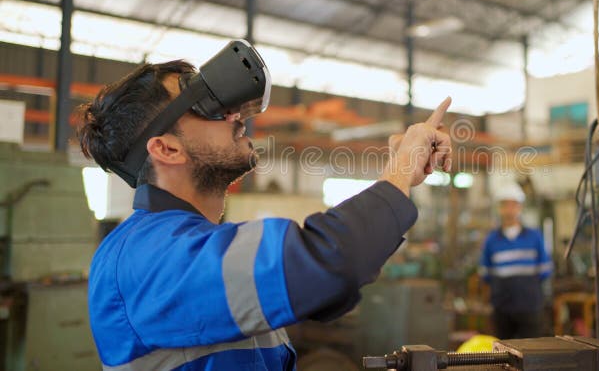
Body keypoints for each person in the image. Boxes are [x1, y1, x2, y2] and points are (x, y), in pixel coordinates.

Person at [76, 57, 452, 371]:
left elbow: (318, 291)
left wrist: (401, 174)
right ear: (167, 150)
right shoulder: (143, 258)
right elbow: (328, 263)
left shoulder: (194, 243)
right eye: (207, 107)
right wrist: (400, 170)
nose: (236, 114)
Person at [479, 183, 553, 339]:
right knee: (503, 354)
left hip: (530, 308)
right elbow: (486, 274)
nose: (509, 209)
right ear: (499, 208)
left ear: (520, 207)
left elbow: (545, 270)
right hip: (502, 309)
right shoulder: (491, 240)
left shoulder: (535, 237)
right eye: (505, 205)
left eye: (514, 204)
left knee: (532, 352)